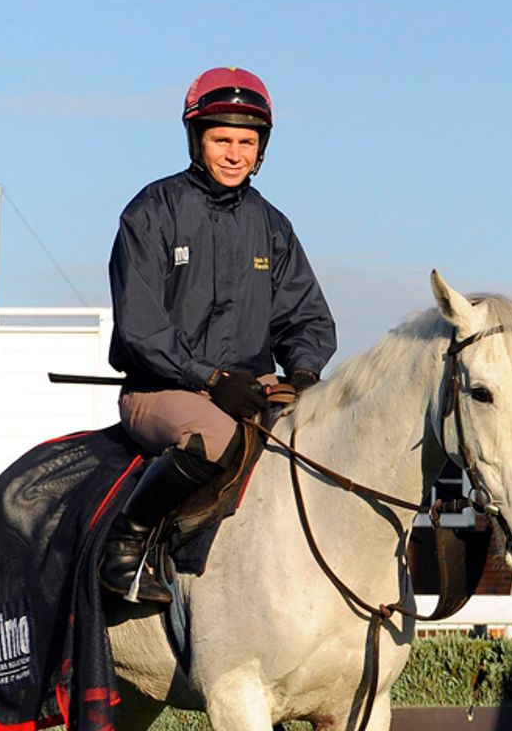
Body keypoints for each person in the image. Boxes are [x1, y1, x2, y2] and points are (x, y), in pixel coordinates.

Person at [101, 66, 336, 604]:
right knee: (215, 440)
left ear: (261, 149)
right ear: (196, 139)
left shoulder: (273, 225)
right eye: (221, 139)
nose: (234, 153)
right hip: (160, 391)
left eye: (246, 142)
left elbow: (307, 317)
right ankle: (127, 547)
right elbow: (140, 326)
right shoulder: (150, 212)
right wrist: (208, 377)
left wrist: (301, 373)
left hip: (248, 390)